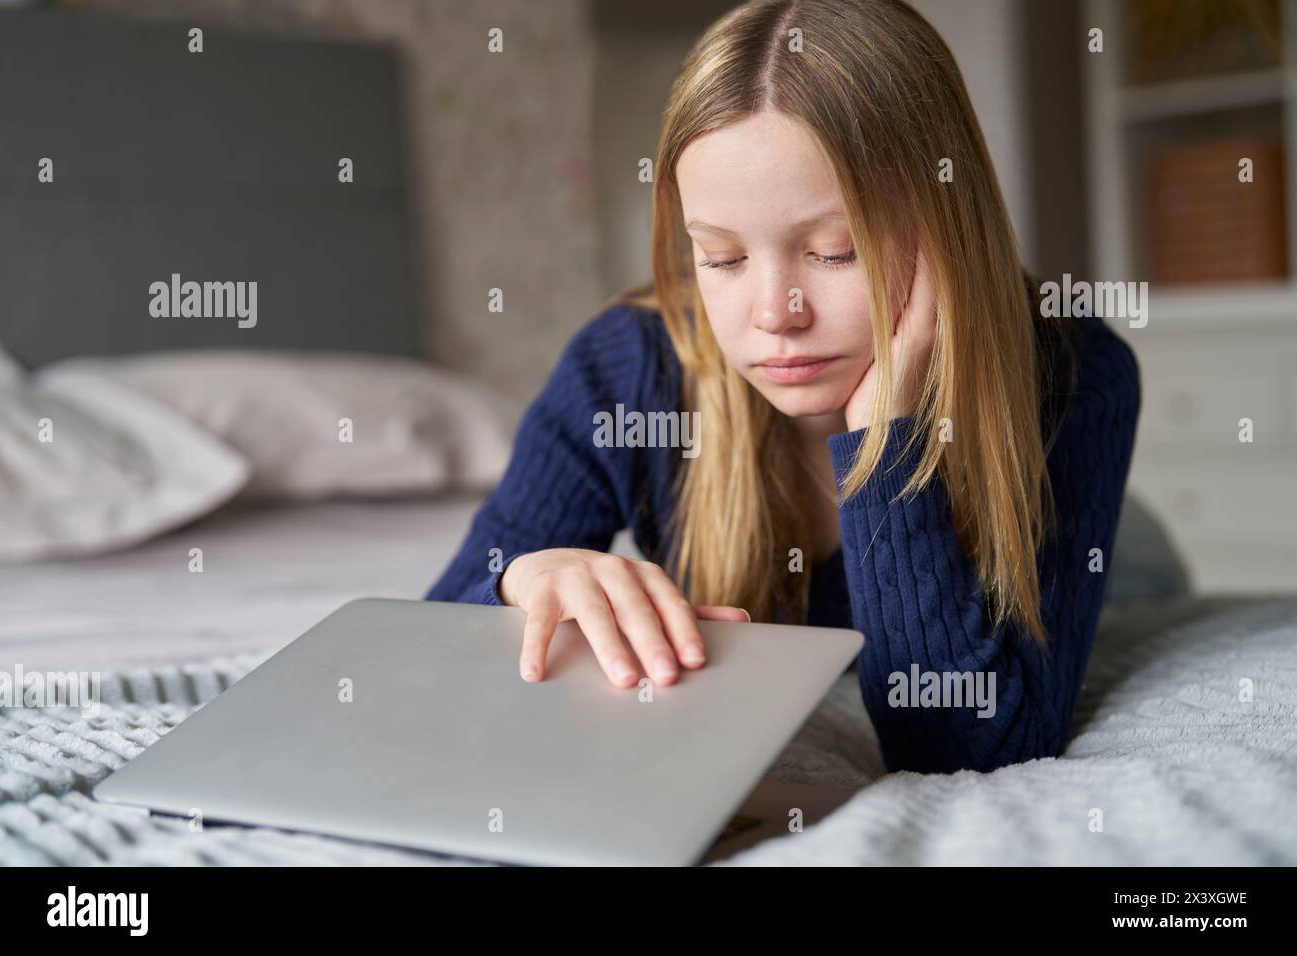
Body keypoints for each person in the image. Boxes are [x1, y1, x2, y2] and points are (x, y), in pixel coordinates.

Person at [428, 0, 1140, 774]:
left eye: (835, 252)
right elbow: (434, 632)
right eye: (722, 259)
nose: (774, 315)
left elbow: (969, 747)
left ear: (946, 221)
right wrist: (522, 579)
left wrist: (886, 439)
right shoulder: (626, 369)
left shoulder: (1079, 376)